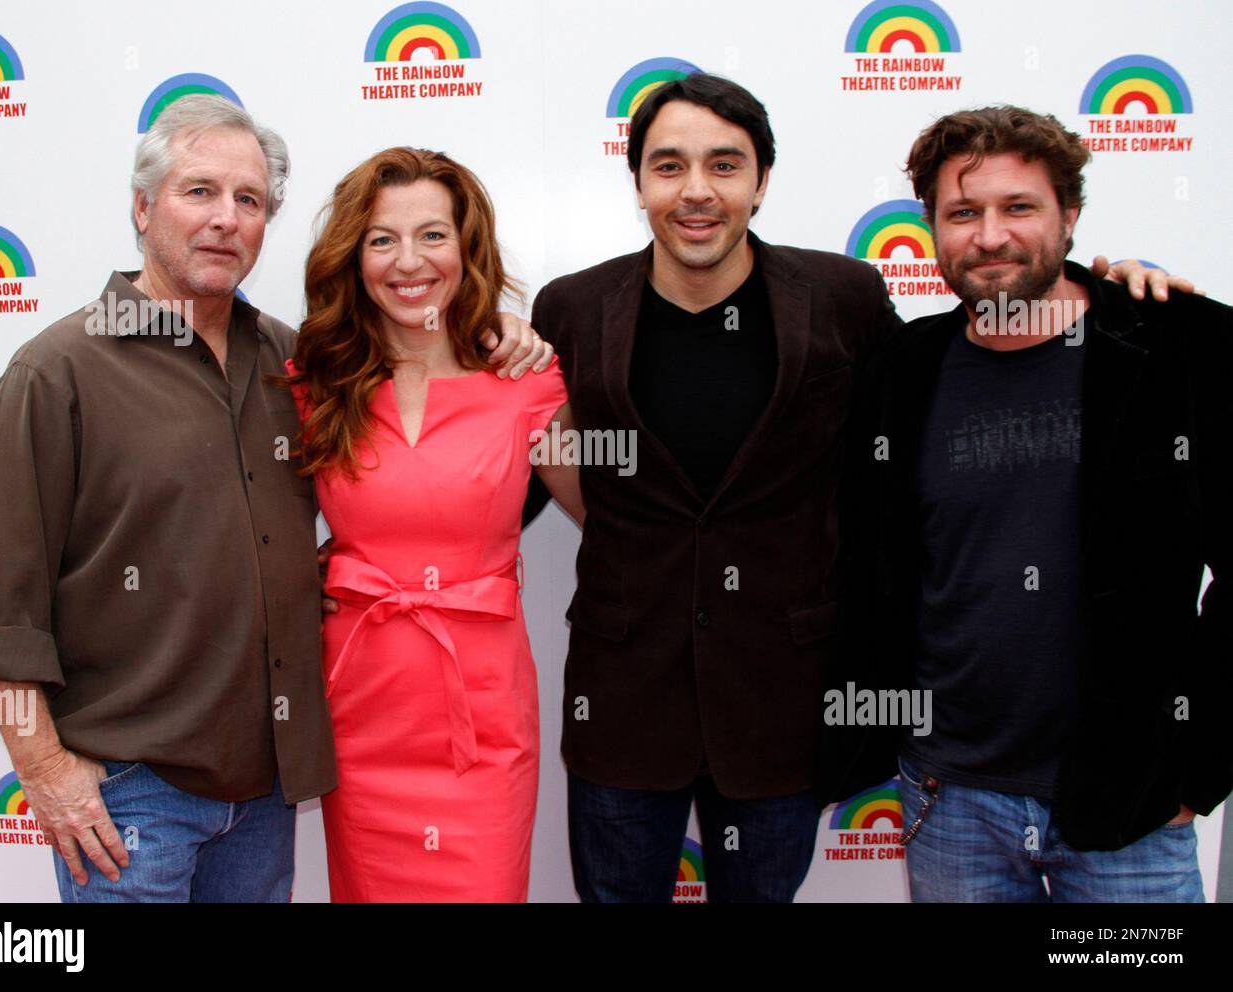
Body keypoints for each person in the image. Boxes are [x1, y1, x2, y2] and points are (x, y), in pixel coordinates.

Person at [520, 74, 1188, 904]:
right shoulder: (572, 308)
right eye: (670, 166)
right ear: (639, 184)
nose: (697, 190)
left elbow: (980, 353)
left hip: (781, 708)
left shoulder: (843, 299)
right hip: (622, 705)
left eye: (725, 165)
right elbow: (511, 460)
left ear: (761, 182)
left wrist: (1116, 296)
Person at [0, 94, 551, 903]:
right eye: (199, 191)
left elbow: (422, 435)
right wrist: (47, 773)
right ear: (141, 206)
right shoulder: (57, 371)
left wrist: (497, 333)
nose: (225, 219)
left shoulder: (293, 366)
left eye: (249, 200)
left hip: (267, 789)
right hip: (131, 794)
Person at [822, 106, 1230, 902]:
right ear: (932, 228)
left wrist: (1199, 772)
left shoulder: (1176, 347)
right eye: (963, 212)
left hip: (1130, 809)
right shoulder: (901, 370)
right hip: (949, 801)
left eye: (1019, 207)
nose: (990, 236)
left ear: (1069, 216)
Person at [284, 147, 583, 902]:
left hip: (480, 717)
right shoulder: (313, 381)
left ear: (467, 246)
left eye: (433, 236)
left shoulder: (525, 377)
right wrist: (300, 573)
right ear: (353, 258)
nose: (408, 261)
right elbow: (244, 514)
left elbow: (611, 515)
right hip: (359, 709)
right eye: (382, 239)